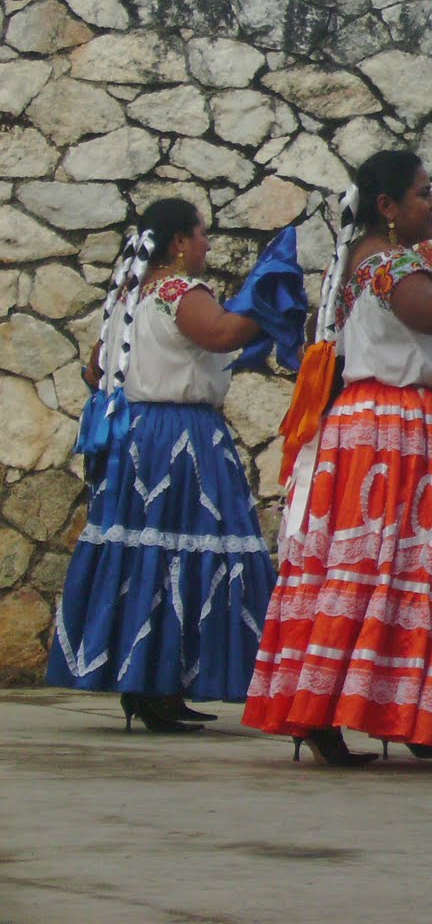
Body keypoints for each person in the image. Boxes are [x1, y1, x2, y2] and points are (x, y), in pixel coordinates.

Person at [243, 149, 432, 765]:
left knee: (383, 570)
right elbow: (429, 313)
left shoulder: (383, 261)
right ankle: (389, 714)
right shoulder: (386, 264)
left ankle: (375, 713)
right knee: (395, 568)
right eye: (423, 193)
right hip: (394, 432)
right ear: (387, 207)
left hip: (388, 428)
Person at [47, 198, 277, 732]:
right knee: (183, 550)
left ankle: (150, 683)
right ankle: (158, 685)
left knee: (148, 555)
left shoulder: (129, 296)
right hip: (182, 438)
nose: (206, 245)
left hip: (137, 437)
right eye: (201, 235)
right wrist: (268, 303)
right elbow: (221, 335)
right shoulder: (178, 292)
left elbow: (95, 371)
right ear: (179, 242)